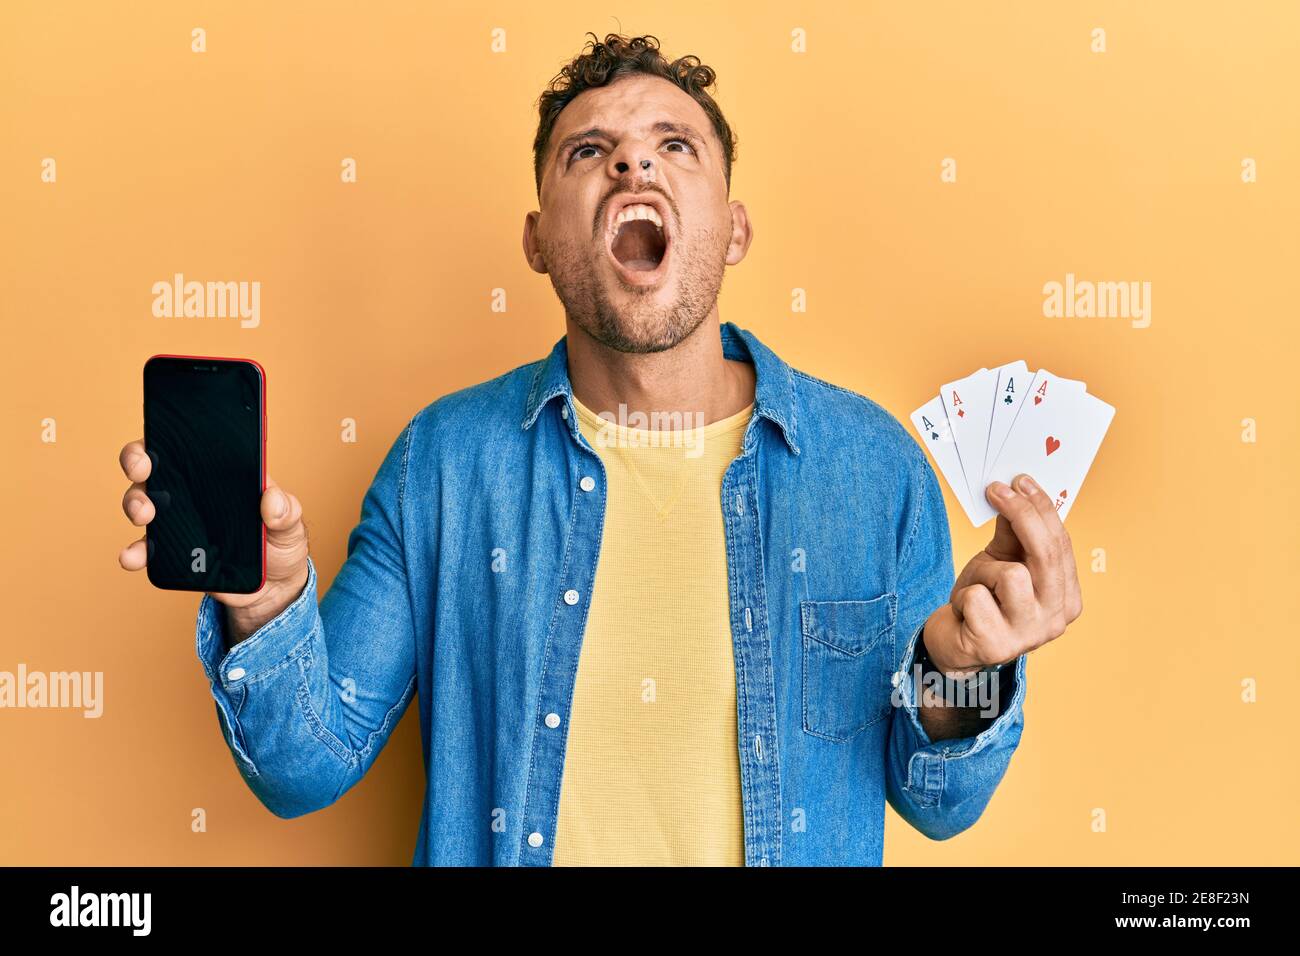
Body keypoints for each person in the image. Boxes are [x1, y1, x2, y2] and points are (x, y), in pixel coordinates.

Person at [116, 32, 1081, 866]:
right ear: (537, 240)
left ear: (734, 228)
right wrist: (266, 605)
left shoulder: (873, 468)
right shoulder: (441, 466)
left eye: (674, 146)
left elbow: (938, 805)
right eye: (591, 151)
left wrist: (966, 670)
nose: (634, 167)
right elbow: (301, 769)